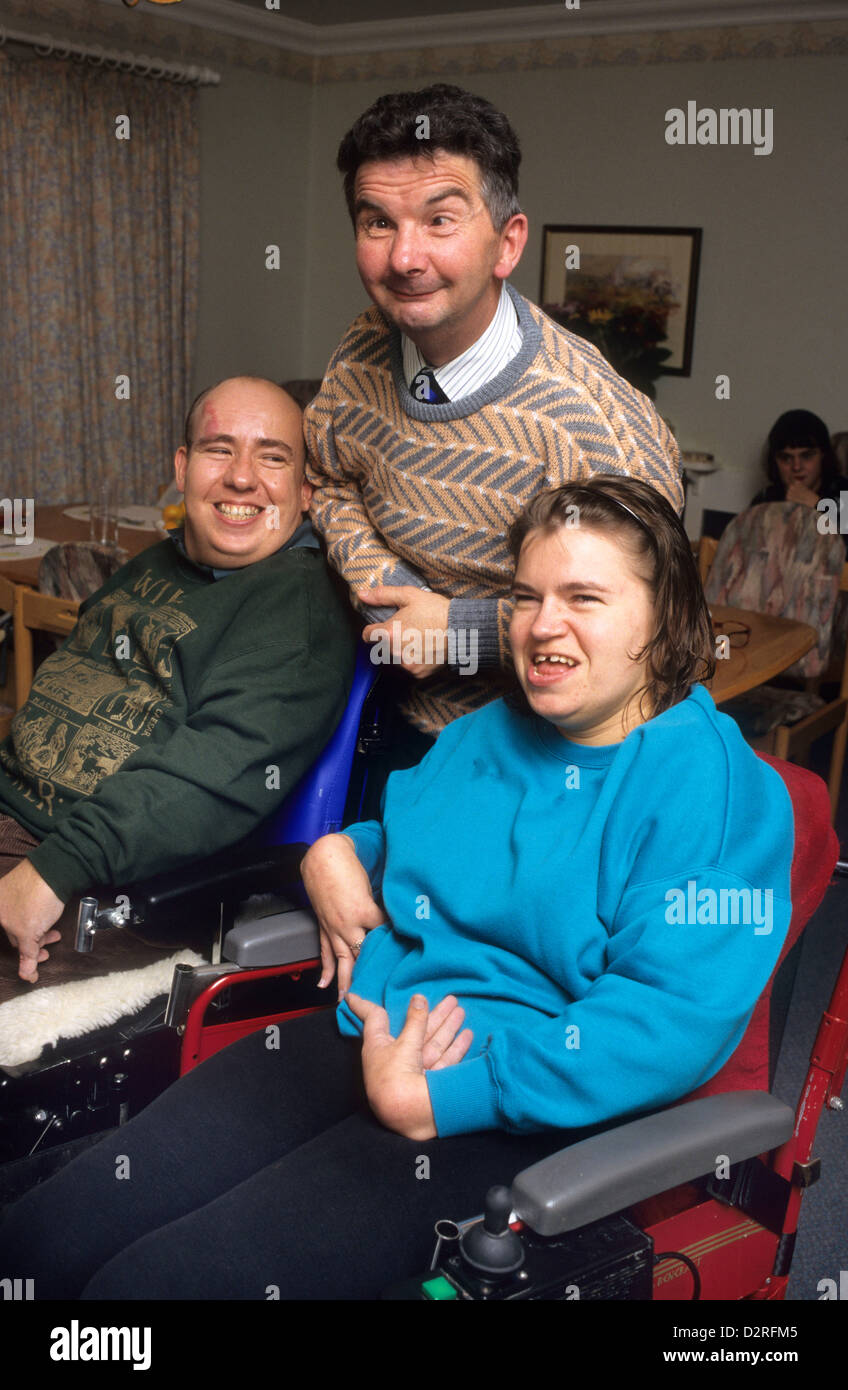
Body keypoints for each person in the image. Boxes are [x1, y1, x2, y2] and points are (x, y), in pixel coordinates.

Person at [0, 477, 793, 1300]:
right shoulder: (491, 730)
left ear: (662, 616)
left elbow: (667, 1021)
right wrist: (337, 850)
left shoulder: (715, 789)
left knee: (148, 1291)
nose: (543, 626)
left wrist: (448, 1098)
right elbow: (420, 836)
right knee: (42, 1239)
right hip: (368, 1027)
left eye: (584, 597)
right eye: (526, 596)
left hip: (519, 1103)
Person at [305, 83, 684, 761]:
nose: (404, 258)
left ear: (507, 244)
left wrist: (457, 631)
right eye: (378, 222)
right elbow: (329, 480)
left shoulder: (592, 428)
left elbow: (649, 623)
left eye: (440, 220)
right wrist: (389, 595)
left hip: (539, 763)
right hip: (384, 723)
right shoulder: (362, 347)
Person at [0, 377, 357, 983]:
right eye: (220, 449)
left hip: (95, 888)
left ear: (305, 491)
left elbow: (211, 774)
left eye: (272, 456)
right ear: (183, 467)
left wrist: (55, 869)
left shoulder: (296, 608)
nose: (242, 478)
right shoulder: (158, 562)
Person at [751, 408, 848, 513]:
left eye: (806, 456)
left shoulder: (843, 491)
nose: (796, 467)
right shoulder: (766, 498)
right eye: (786, 458)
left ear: (823, 455)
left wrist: (818, 505)